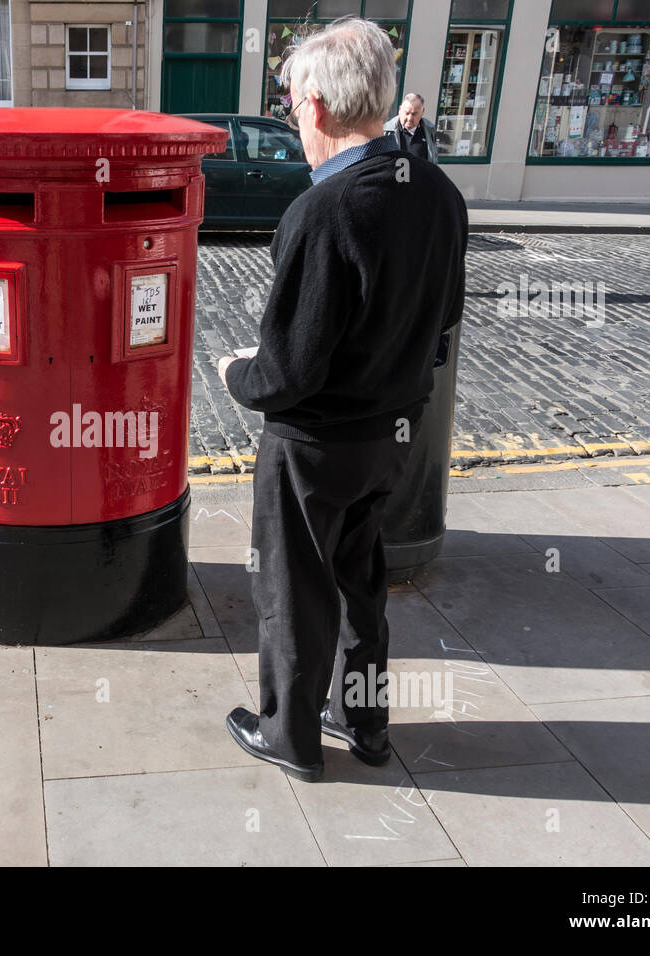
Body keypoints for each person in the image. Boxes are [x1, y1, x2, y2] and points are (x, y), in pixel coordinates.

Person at [215, 18, 467, 782]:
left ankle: (287, 737)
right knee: (362, 582)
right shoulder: (437, 193)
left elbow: (287, 371)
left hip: (313, 444)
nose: (293, 118)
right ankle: (363, 725)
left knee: (292, 587)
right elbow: (444, 318)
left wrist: (235, 373)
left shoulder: (321, 213)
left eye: (291, 103)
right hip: (391, 434)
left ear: (317, 104)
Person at [384, 92, 438, 163]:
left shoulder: (430, 130)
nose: (410, 118)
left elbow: (433, 158)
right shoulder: (386, 131)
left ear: (422, 112)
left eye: (414, 114)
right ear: (400, 110)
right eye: (407, 113)